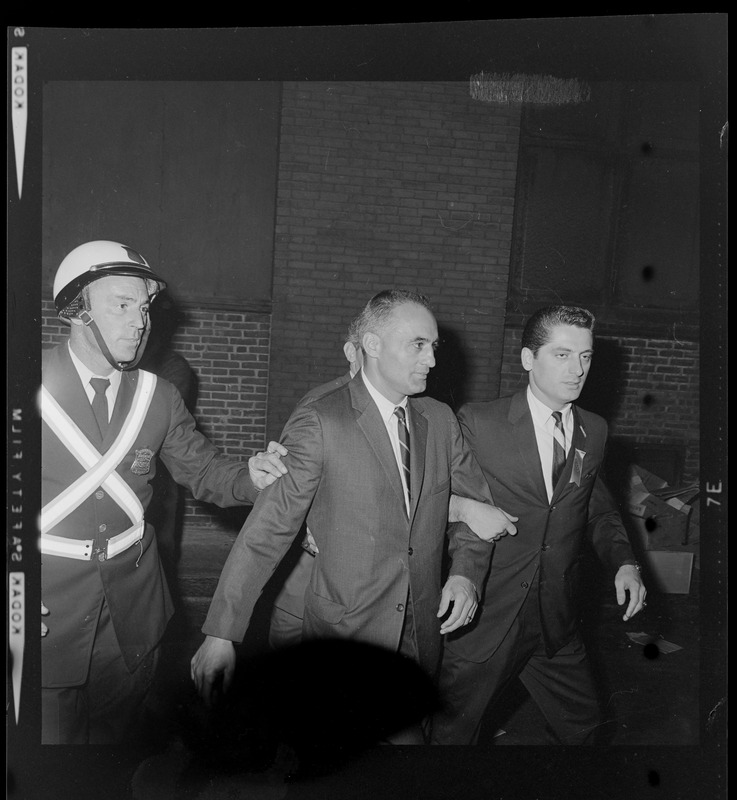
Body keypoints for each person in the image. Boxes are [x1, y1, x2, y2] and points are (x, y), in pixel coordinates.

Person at [191, 289, 517, 742]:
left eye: (433, 346)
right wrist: (221, 634)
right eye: (417, 345)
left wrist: (465, 574)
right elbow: (266, 531)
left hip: (418, 636)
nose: (431, 360)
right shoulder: (323, 420)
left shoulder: (440, 420)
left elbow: (472, 507)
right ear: (373, 344)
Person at [40, 240, 286, 745]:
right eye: (122, 305)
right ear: (77, 310)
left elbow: (205, 469)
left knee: (118, 748)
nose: (140, 322)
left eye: (145, 307)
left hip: (134, 615)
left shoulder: (159, 396)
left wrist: (252, 476)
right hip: (43, 610)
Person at [430, 305, 647, 745]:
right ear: (528, 358)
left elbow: (598, 510)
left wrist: (626, 562)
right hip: (488, 618)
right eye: (562, 355)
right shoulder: (480, 422)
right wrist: (463, 573)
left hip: (556, 622)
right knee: (451, 738)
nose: (577, 370)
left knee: (587, 731)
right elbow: (445, 504)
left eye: (585, 356)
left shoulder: (594, 430)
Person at [268, 326, 519, 651]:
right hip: (314, 591)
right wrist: (461, 508)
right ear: (353, 352)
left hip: (402, 605)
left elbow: (424, 495)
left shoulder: (424, 415)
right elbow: (287, 505)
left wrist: (465, 572)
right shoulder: (321, 410)